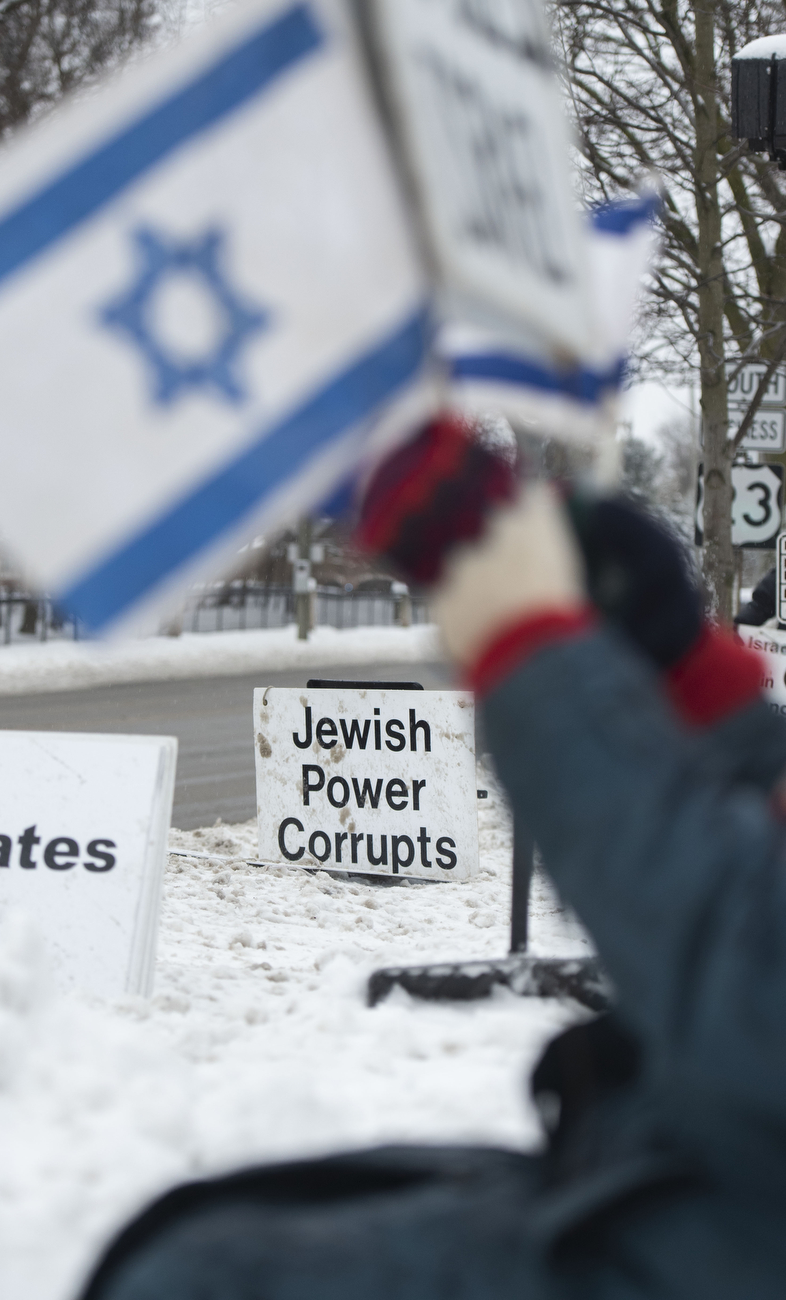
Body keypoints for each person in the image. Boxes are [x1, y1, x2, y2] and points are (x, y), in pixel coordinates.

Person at [80, 417, 786, 1300]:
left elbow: (748, 974)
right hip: (694, 1176)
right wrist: (689, 677)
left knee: (198, 1278)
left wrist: (530, 640)